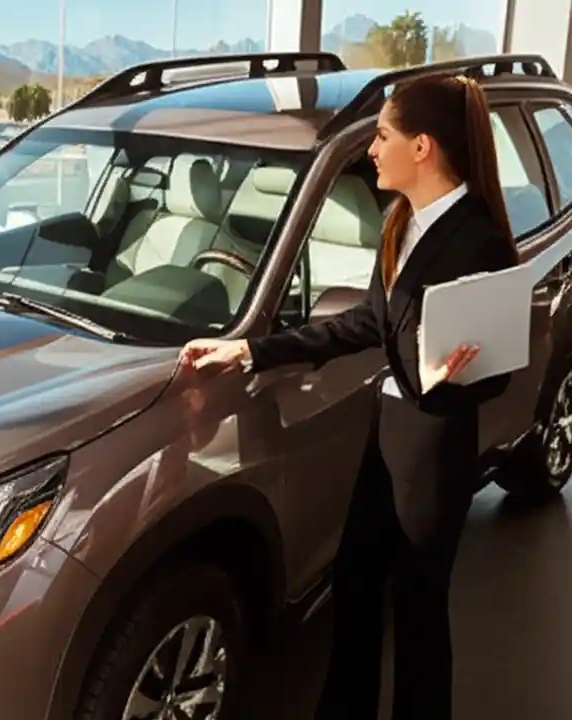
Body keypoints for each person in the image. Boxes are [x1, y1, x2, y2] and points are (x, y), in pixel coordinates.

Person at [180, 73, 519, 720]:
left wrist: (461, 374)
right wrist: (248, 350)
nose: (371, 150)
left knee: (419, 612)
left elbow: (497, 368)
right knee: (356, 588)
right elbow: (366, 322)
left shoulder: (481, 241)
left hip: (432, 451)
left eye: (382, 137)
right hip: (387, 435)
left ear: (421, 147)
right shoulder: (402, 223)